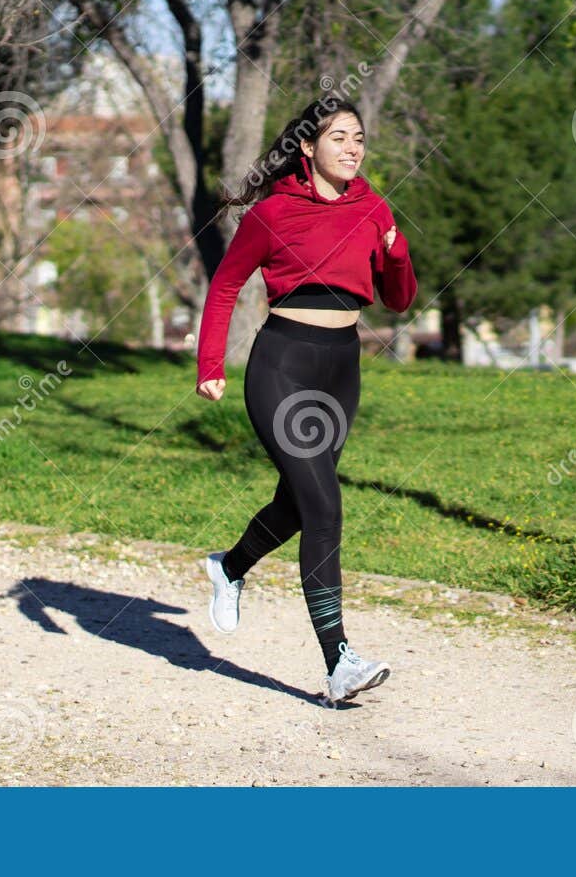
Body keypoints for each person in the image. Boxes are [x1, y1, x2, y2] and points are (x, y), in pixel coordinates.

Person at [194, 96, 417, 704]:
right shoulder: (273, 213)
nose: (353, 148)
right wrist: (210, 362)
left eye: (359, 138)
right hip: (282, 366)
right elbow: (226, 286)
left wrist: (396, 250)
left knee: (299, 503)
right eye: (339, 137)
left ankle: (231, 566)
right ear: (307, 148)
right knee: (324, 506)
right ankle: (338, 660)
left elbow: (398, 298)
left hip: (341, 371)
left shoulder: (373, 208)